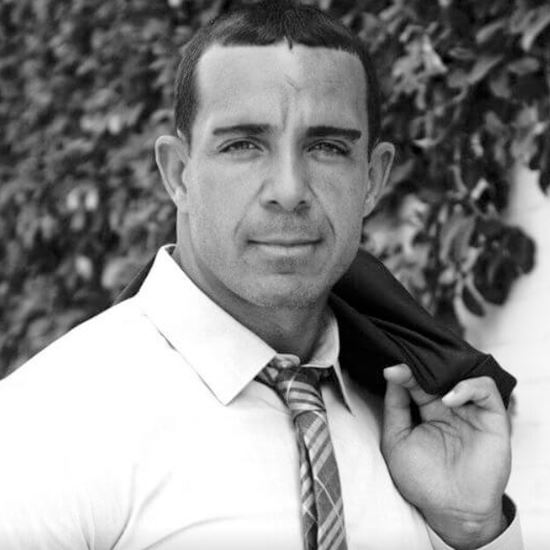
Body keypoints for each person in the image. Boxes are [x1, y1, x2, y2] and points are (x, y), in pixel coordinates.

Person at [0, 1, 522, 549]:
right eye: (243, 145)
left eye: (327, 147)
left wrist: (472, 530)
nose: (289, 190)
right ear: (178, 173)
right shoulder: (45, 431)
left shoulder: (413, 420)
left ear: (372, 179)